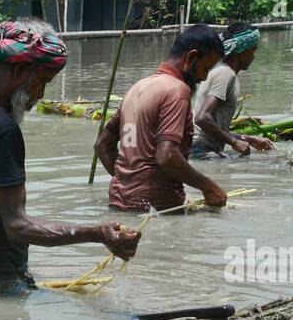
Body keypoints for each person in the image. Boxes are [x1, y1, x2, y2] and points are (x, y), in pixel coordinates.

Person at [0, 19, 141, 298]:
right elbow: (17, 227)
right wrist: (99, 233)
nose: (40, 95)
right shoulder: (1, 129)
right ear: (18, 70)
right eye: (42, 82)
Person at [94, 24, 228, 213]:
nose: (204, 78)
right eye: (206, 69)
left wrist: (126, 184)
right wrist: (209, 187)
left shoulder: (137, 88)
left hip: (118, 203)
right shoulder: (177, 90)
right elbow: (166, 156)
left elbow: (102, 145)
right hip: (160, 209)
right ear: (191, 57)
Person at [190, 23, 274, 159]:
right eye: (252, 51)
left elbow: (213, 129)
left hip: (202, 148)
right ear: (241, 51)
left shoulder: (223, 72)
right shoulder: (225, 74)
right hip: (200, 151)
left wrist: (249, 140)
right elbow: (202, 118)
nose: (253, 57)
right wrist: (234, 142)